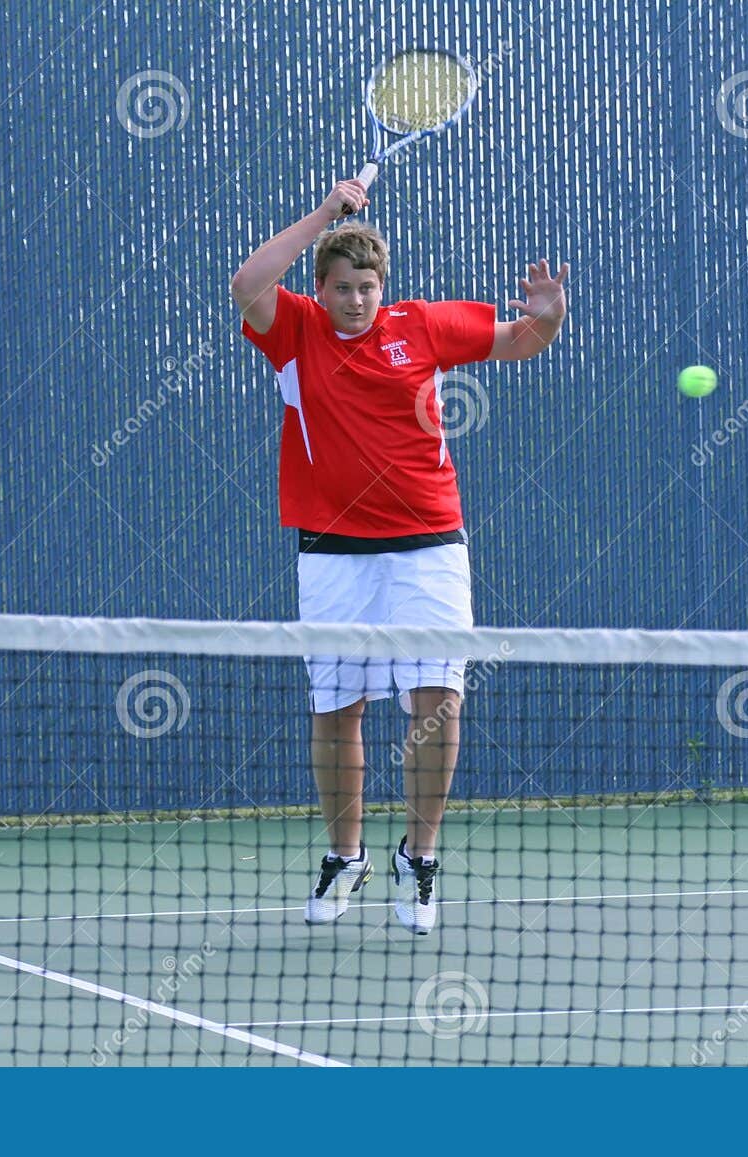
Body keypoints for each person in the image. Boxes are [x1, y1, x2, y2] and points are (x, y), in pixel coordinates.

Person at [231, 177, 566, 934]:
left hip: (428, 548)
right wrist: (324, 211)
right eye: (343, 287)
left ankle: (419, 859)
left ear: (385, 288)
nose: (357, 300)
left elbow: (521, 339)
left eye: (368, 287)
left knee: (437, 702)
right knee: (336, 709)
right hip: (332, 553)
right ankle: (345, 856)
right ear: (319, 290)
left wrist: (549, 318)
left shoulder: (423, 326)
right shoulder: (294, 332)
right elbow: (248, 281)